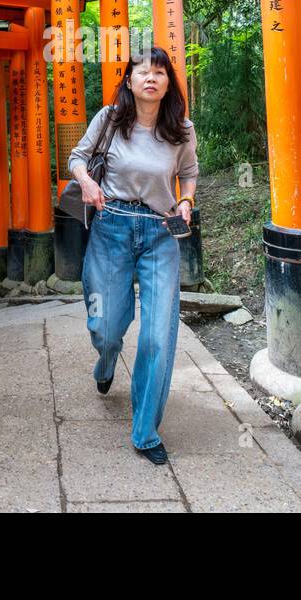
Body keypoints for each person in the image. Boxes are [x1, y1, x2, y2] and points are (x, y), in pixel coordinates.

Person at [67, 46, 199, 464]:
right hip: (112, 227)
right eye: (143, 71)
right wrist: (87, 183)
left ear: (167, 84)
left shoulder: (181, 128)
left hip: (160, 232)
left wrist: (186, 202)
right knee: (107, 325)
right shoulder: (108, 119)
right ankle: (106, 360)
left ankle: (145, 431)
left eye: (160, 73)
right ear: (129, 80)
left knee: (158, 335)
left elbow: (190, 173)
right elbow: (77, 158)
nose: (151, 78)